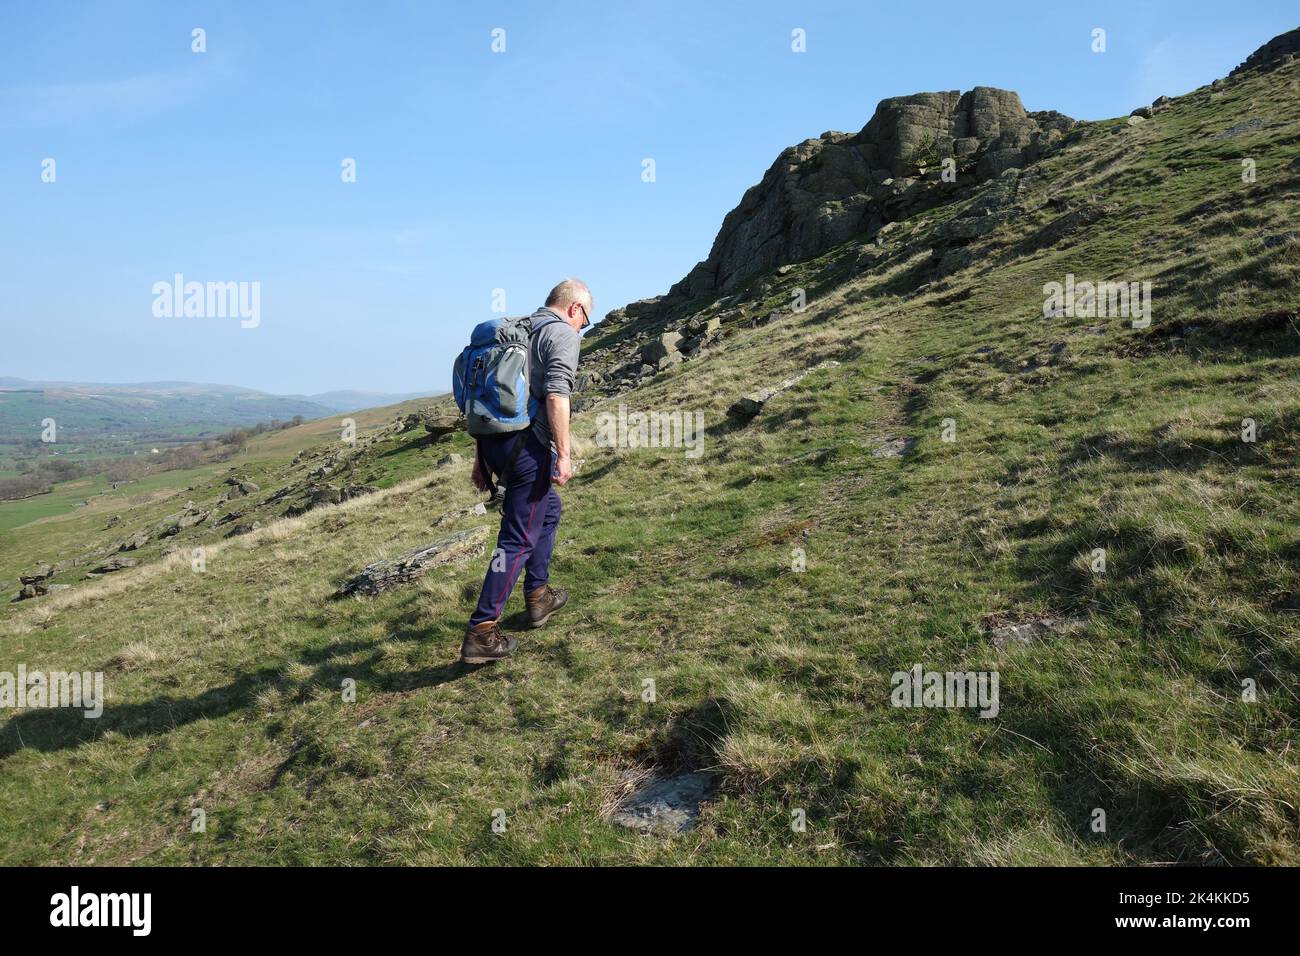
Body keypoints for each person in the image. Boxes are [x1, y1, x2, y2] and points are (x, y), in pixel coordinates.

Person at [460, 278, 592, 664]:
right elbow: (556, 395)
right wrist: (564, 454)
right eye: (585, 318)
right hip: (527, 450)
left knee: (548, 510)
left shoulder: (516, 330)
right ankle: (482, 631)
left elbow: (488, 397)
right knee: (515, 539)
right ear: (573, 308)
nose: (584, 327)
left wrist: (480, 459)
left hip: (493, 444)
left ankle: (538, 596)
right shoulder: (561, 334)